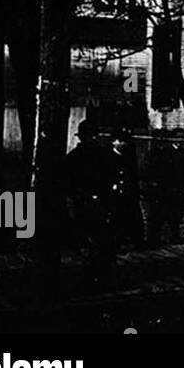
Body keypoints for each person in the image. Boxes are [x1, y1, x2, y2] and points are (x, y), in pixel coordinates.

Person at [63, 120, 117, 285]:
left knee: (90, 238)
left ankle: (92, 272)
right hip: (95, 202)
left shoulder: (73, 157)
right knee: (98, 238)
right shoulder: (103, 155)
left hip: (85, 202)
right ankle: (99, 272)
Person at [144, 129, 184, 245]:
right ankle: (153, 238)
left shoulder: (181, 152)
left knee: (175, 213)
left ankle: (173, 235)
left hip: (176, 187)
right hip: (161, 188)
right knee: (157, 214)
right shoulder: (158, 153)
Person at [109, 129, 144, 250]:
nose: (124, 144)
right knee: (116, 218)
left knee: (133, 216)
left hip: (129, 192)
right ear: (114, 142)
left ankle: (136, 240)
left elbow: (133, 174)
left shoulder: (129, 157)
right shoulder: (108, 157)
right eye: (121, 141)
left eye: (125, 141)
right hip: (115, 193)